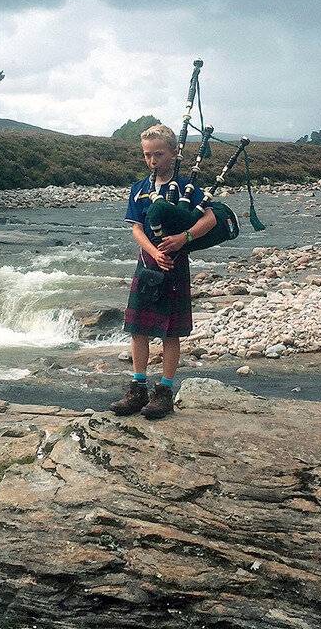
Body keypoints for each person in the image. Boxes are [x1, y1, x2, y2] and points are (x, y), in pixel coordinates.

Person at [111, 124, 216, 419]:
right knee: (138, 329)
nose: (152, 160)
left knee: (171, 332)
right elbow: (137, 229)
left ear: (173, 152)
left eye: (158, 154)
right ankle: (138, 388)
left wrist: (185, 238)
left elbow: (208, 219)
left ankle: (165, 392)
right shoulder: (139, 189)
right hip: (148, 263)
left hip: (175, 263)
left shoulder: (188, 188)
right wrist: (154, 251)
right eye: (147, 155)